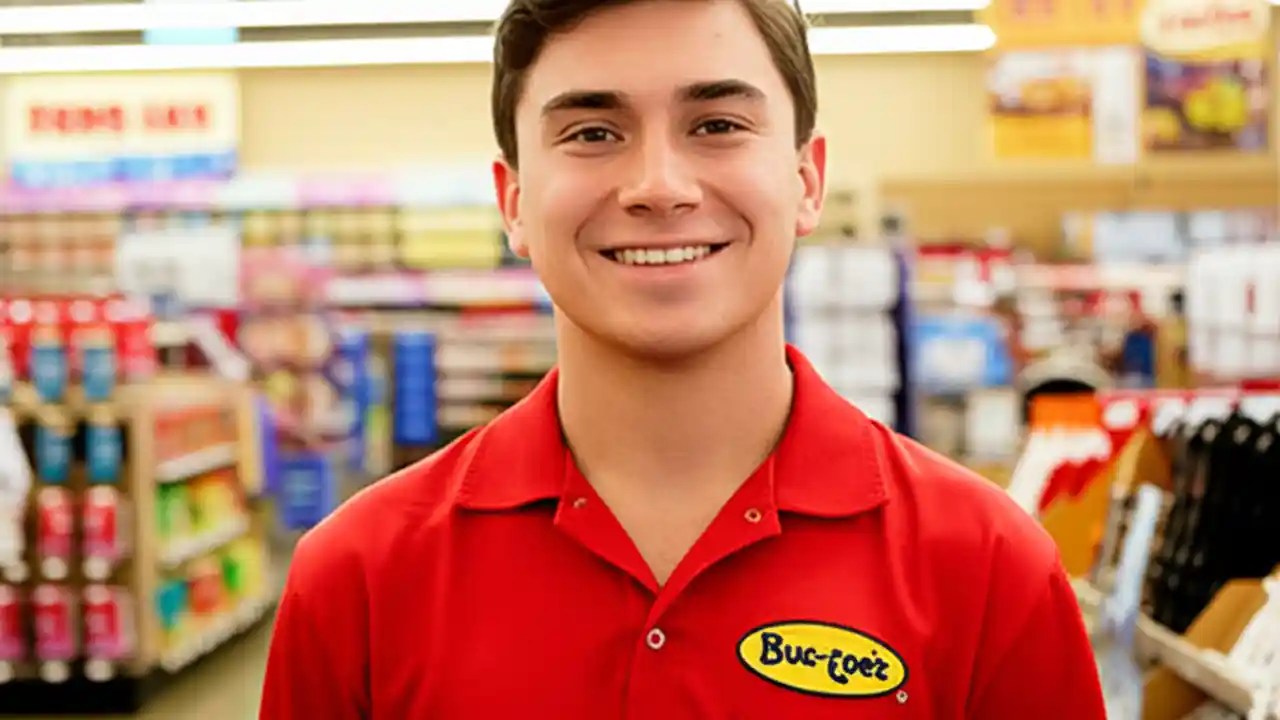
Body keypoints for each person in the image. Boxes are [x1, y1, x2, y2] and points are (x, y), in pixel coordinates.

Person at [259, 1, 1107, 717]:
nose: (658, 186)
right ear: (513, 200)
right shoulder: (359, 581)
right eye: (593, 131)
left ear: (808, 180)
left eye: (717, 126)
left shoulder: (990, 569)